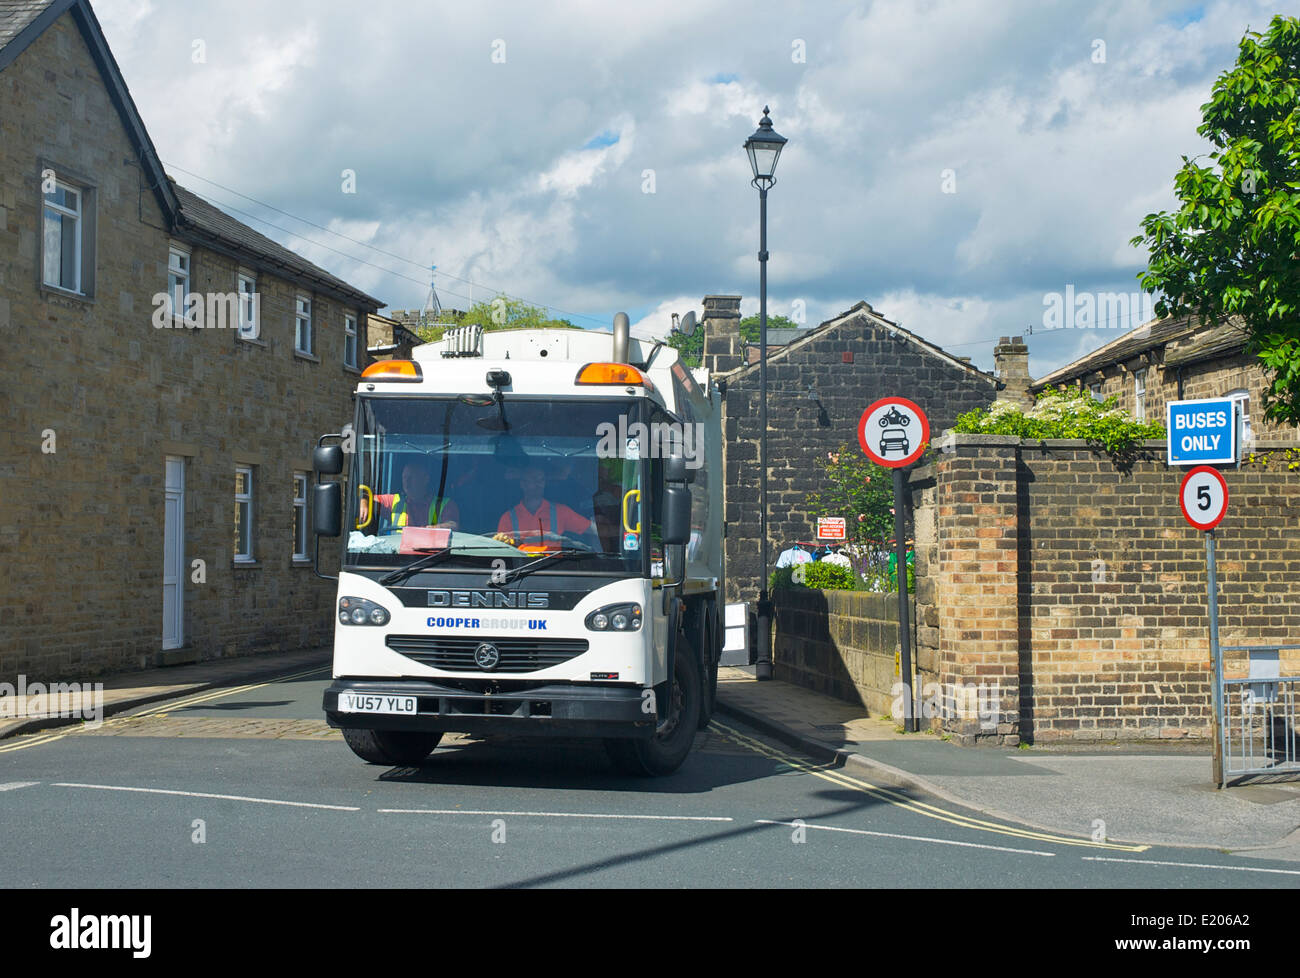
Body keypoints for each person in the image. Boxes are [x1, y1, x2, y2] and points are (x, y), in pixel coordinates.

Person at [492, 464, 599, 550]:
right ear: (522, 484)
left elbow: (595, 530)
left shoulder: (561, 512)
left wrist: (614, 530)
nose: (538, 483)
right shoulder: (508, 518)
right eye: (533, 479)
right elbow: (501, 550)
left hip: (554, 571)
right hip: (520, 572)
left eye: (541, 480)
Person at [359, 460, 459, 531]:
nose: (406, 482)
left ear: (425, 479)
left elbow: (453, 525)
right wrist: (364, 501)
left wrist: (435, 528)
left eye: (411, 477)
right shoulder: (394, 501)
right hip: (396, 558)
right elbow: (366, 496)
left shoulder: (445, 505)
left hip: (432, 558)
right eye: (404, 477)